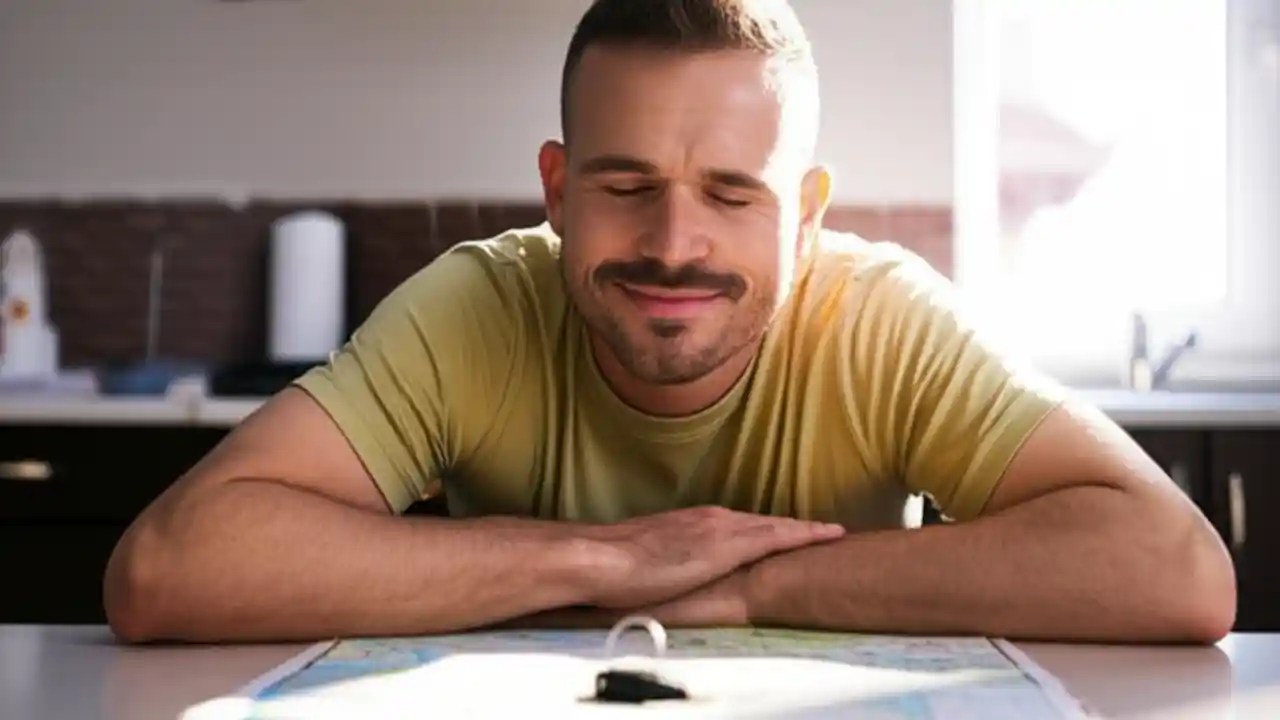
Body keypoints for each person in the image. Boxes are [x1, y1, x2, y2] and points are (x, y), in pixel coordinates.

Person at [104, 0, 1235, 644]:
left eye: (732, 195)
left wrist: (746, 587)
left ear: (804, 213)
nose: (674, 243)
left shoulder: (880, 319)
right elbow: (165, 572)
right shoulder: (478, 305)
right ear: (556, 191)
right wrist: (608, 556)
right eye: (623, 184)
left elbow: (1174, 572)